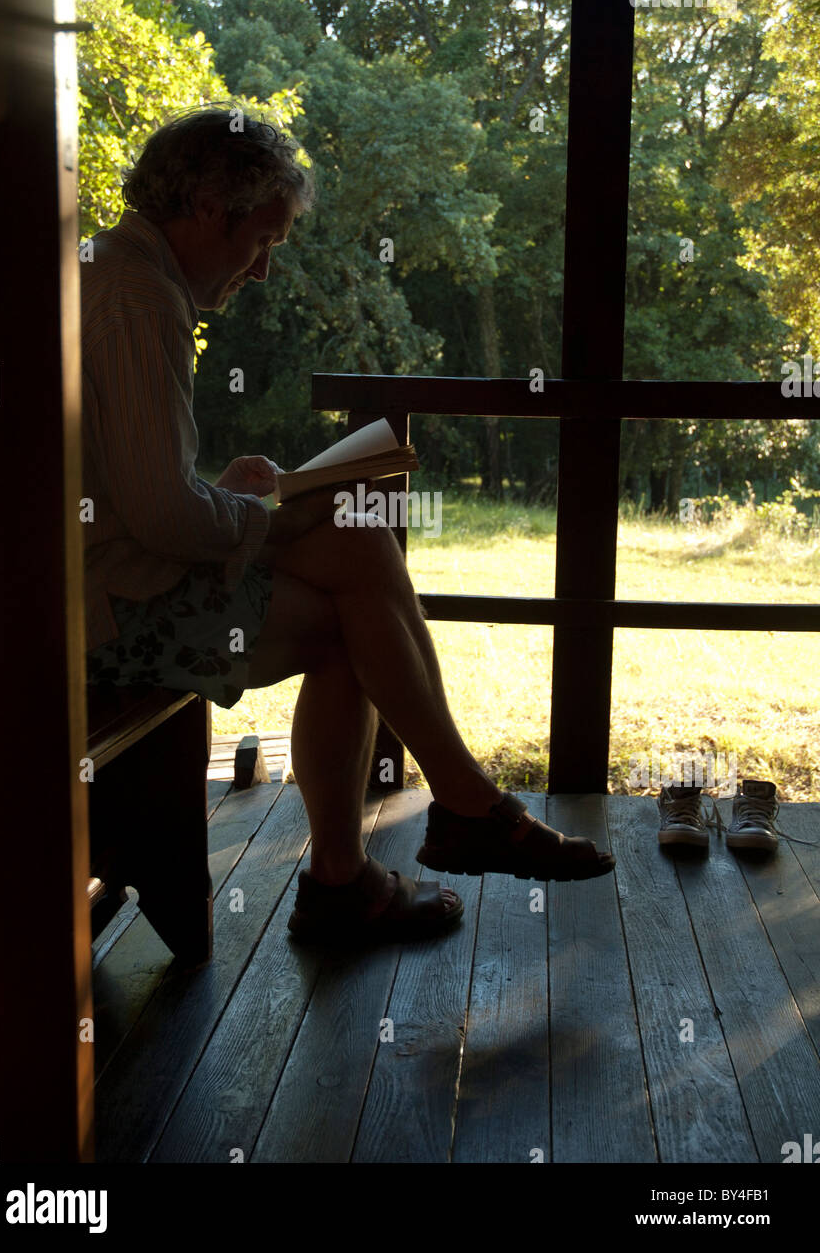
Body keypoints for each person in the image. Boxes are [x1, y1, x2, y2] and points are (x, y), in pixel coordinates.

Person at [82, 105, 615, 947]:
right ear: (210, 209)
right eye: (263, 238)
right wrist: (264, 518)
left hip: (96, 577)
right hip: (103, 612)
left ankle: (441, 816)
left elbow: (130, 490)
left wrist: (225, 498)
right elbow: (156, 517)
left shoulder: (108, 270)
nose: (260, 270)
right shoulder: (142, 298)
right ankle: (396, 847)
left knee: (359, 538)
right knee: (348, 618)